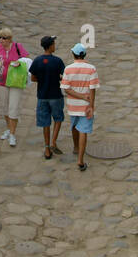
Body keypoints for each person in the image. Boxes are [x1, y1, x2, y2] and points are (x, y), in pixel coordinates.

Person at [60, 43, 99, 171]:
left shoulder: (68, 69)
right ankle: (80, 160)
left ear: (73, 54)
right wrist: (91, 105)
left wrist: (79, 96)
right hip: (86, 106)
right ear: (84, 54)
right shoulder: (91, 69)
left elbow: (66, 89)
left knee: (74, 126)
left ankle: (76, 147)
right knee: (84, 130)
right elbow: (93, 90)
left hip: (73, 105)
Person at [29, 34, 65, 160]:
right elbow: (64, 76)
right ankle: (54, 141)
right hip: (55, 95)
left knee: (45, 122)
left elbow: (33, 77)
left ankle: (47, 148)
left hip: (42, 96)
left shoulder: (37, 61)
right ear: (50, 47)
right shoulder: (58, 61)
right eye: (54, 44)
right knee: (58, 118)